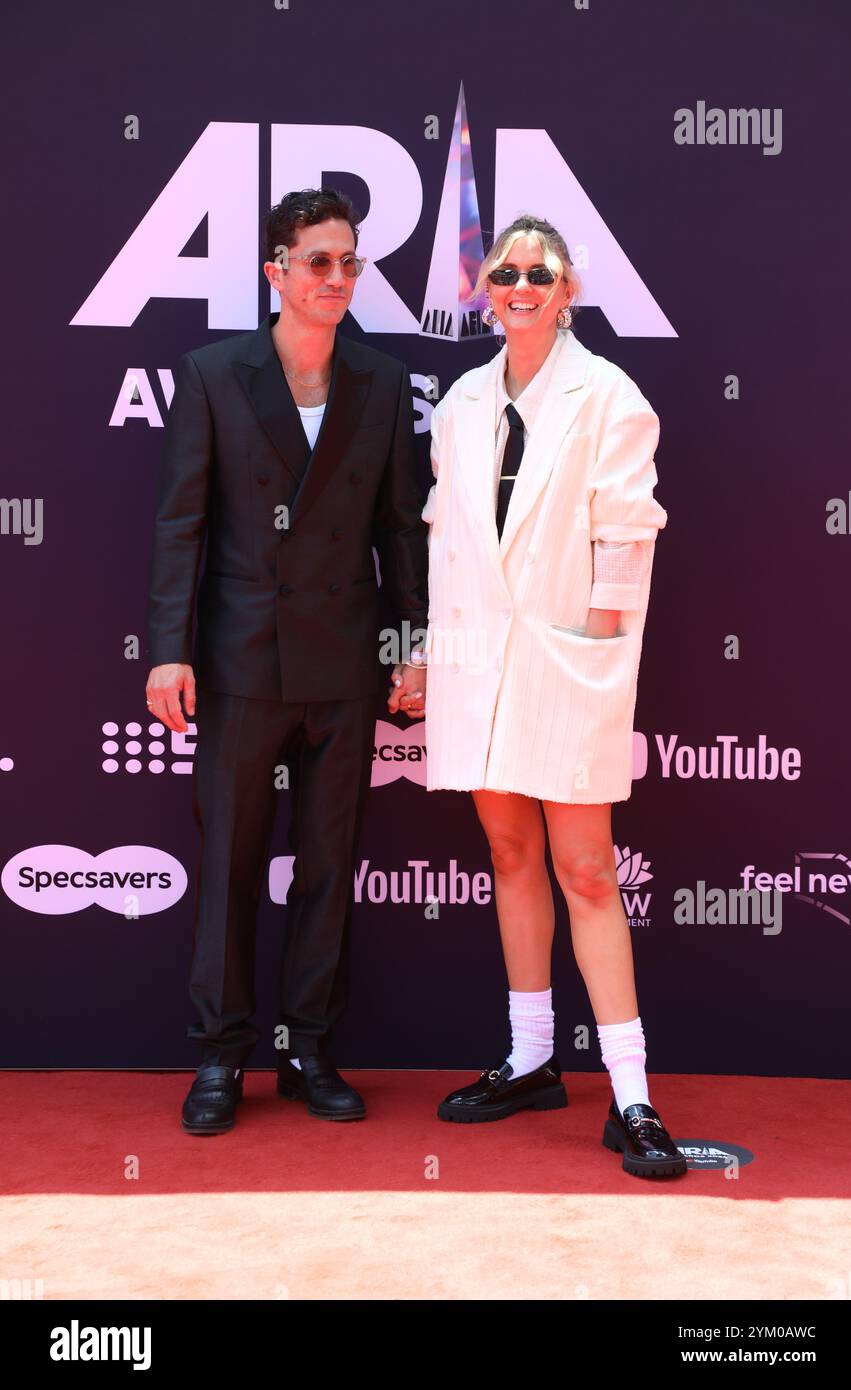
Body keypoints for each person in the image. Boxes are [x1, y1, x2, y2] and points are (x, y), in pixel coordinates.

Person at [146, 187, 428, 1135]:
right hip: (236, 660)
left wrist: (411, 643)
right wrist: (167, 654)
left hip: (345, 662)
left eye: (350, 261)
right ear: (276, 270)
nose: (338, 278)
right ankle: (221, 1058)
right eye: (319, 261)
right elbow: (182, 521)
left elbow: (399, 527)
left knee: (327, 865)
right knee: (227, 864)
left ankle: (309, 1048)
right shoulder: (215, 374)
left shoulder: (383, 383)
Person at [413, 214, 686, 1179]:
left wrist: (600, 646)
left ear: (568, 290)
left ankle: (632, 1091)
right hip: (479, 662)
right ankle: (532, 1058)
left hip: (570, 667)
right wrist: (427, 653)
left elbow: (628, 530)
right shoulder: (459, 401)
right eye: (506, 272)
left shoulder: (610, 395)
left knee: (588, 872)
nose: (521, 285)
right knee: (508, 848)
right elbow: (445, 537)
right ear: (484, 289)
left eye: (540, 272)